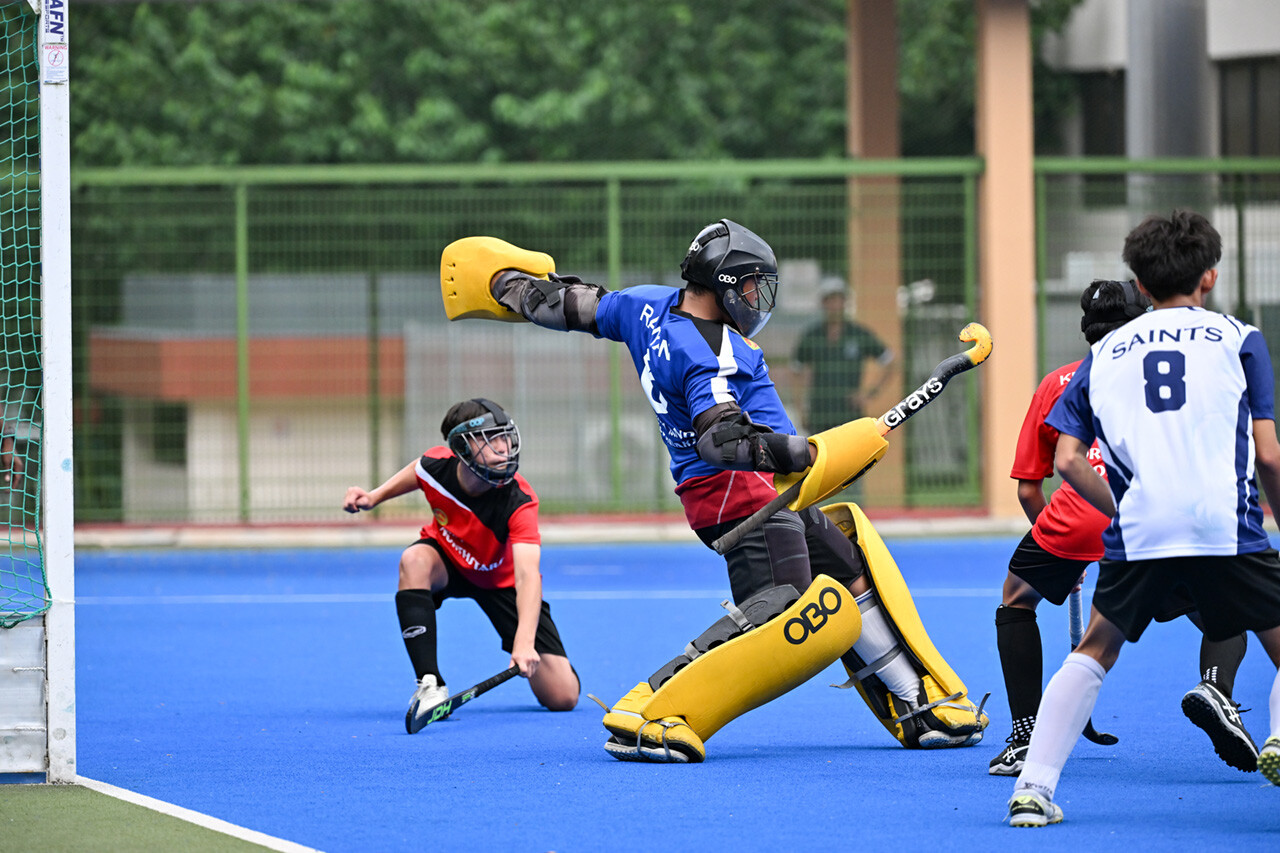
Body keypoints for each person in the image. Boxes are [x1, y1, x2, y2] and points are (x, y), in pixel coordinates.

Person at [474, 219, 987, 761]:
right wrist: (810, 455)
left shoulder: (645, 305)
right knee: (783, 611)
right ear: (722, 284)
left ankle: (916, 705)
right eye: (748, 287)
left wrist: (506, 285)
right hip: (745, 499)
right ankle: (651, 710)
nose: (754, 299)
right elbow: (721, 439)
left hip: (762, 495)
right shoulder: (712, 353)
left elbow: (571, 303)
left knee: (847, 566)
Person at [1005, 209, 1280, 828]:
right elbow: (1266, 452)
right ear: (1209, 276)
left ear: (1142, 284)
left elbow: (1070, 459)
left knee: (1096, 648)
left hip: (1142, 526)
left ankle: (1033, 790)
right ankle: (1279, 740)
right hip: (1224, 524)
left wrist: (1122, 503)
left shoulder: (1103, 356)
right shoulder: (1241, 339)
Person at [990, 279, 1253, 778]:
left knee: (1016, 598)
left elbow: (1029, 489)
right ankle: (1216, 689)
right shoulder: (1175, 372)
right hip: (1158, 515)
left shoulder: (1059, 382)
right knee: (1225, 614)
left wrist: (1056, 545)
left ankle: (1025, 736)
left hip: (1072, 518)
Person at [342, 398, 579, 731]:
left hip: (501, 582)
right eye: (491, 439)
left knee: (562, 697)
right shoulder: (438, 467)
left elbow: (527, 576)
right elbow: (418, 470)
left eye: (506, 436)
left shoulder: (519, 500)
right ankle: (430, 683)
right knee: (413, 559)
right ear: (462, 448)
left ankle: (546, 661)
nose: (504, 447)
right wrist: (373, 497)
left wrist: (524, 642)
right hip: (448, 560)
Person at [793, 276, 895, 434]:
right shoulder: (812, 336)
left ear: (845, 302)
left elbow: (889, 362)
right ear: (823, 303)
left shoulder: (859, 334)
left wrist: (869, 393)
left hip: (850, 415)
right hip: (819, 415)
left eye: (838, 299)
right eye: (830, 300)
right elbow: (796, 372)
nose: (834, 305)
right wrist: (801, 410)